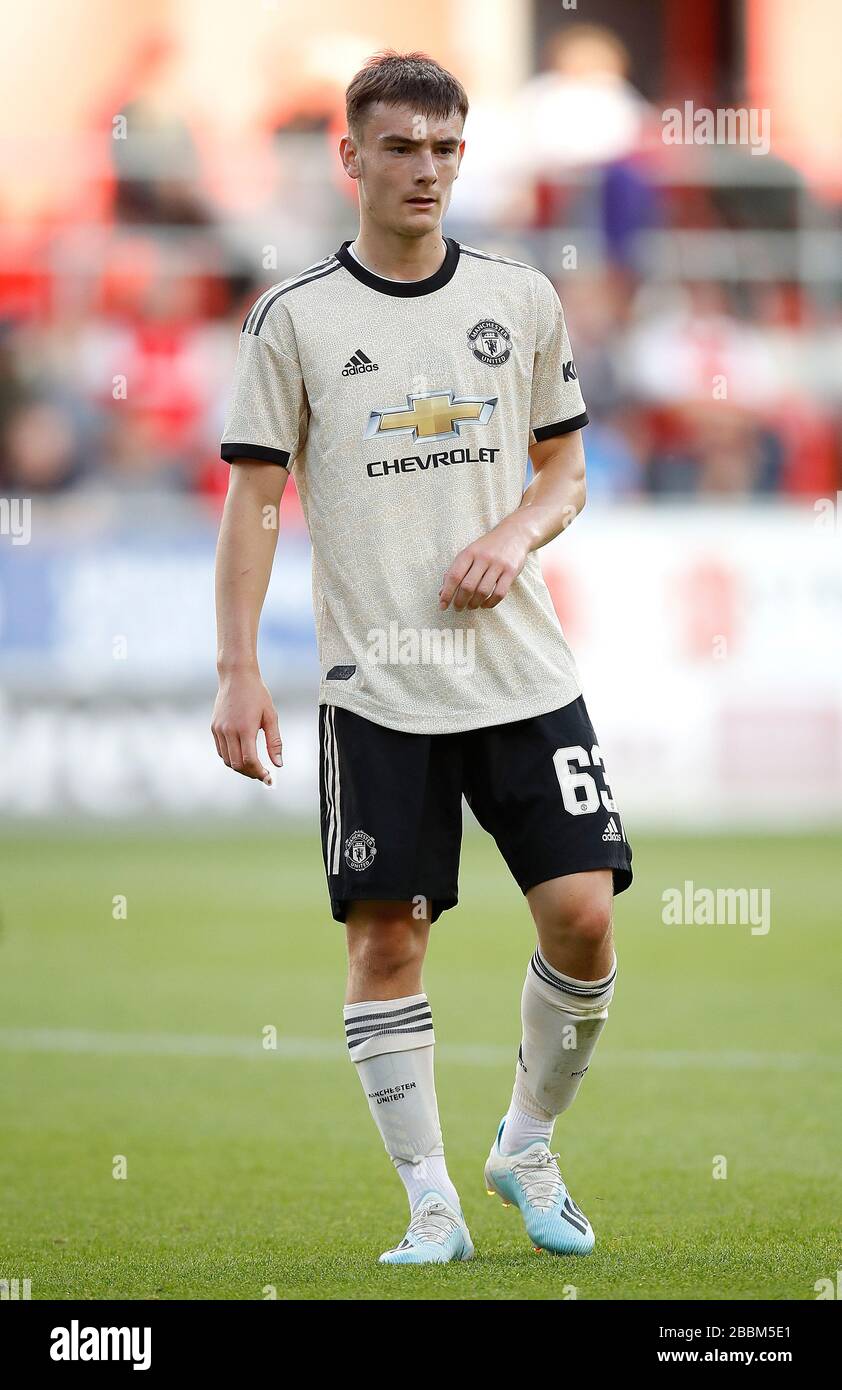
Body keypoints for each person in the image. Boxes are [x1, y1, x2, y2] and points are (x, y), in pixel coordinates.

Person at [212, 49, 632, 1266]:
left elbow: (565, 472)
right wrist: (238, 667)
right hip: (376, 691)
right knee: (386, 937)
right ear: (350, 157)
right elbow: (251, 505)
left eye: (445, 149)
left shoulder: (519, 297)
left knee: (583, 919)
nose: (426, 171)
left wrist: (511, 531)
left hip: (523, 676)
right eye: (400, 147)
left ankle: (525, 1141)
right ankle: (430, 1203)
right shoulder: (291, 320)